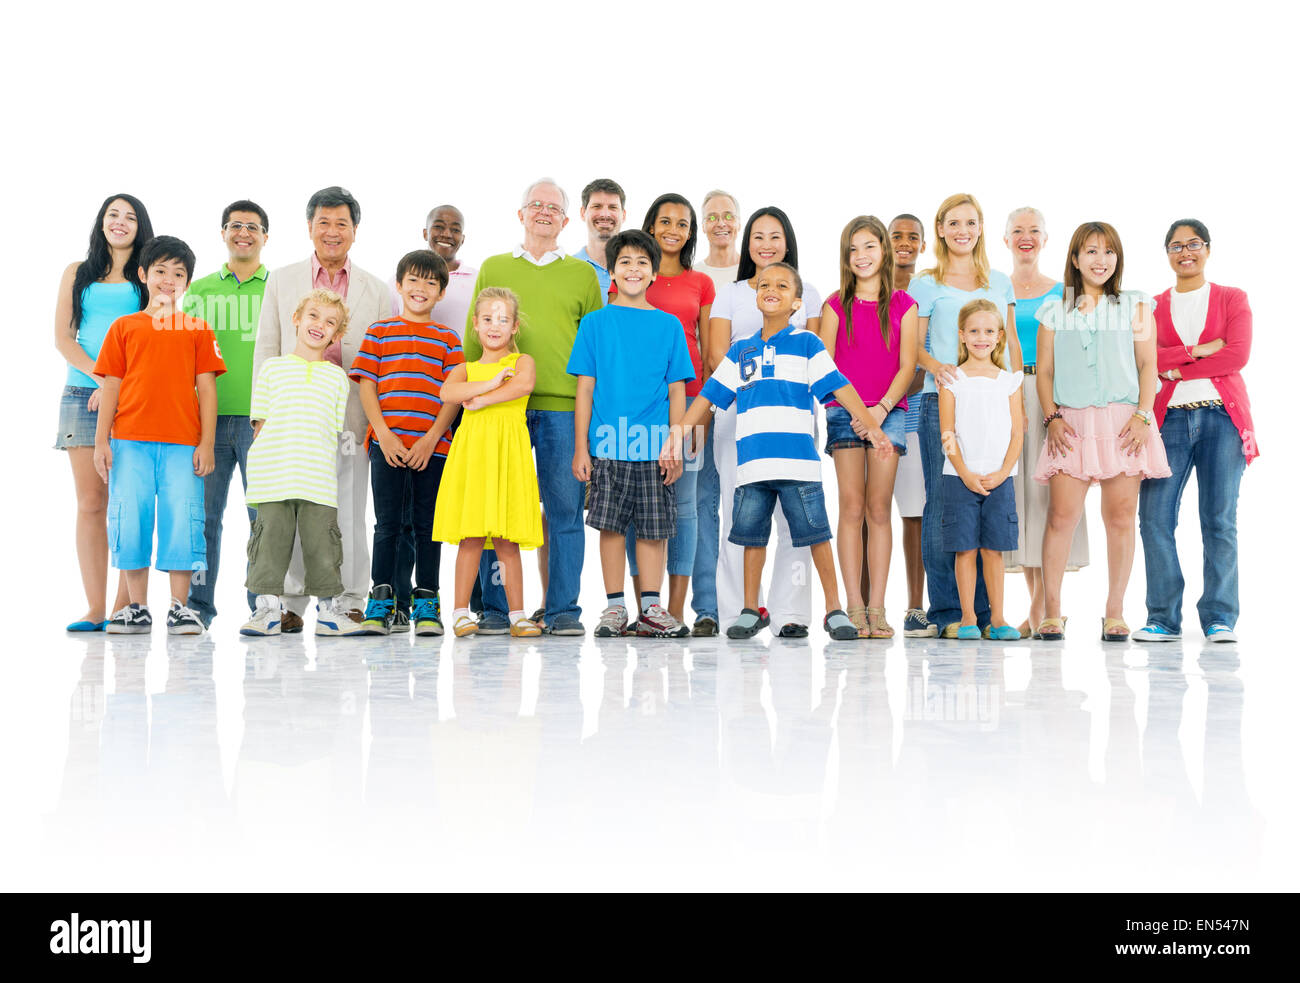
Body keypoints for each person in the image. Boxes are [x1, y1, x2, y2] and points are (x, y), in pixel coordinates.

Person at [663, 263, 884, 641]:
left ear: (796, 302)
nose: (772, 289)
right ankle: (752, 609)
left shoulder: (807, 345)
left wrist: (872, 425)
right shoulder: (739, 350)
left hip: (799, 465)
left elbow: (840, 386)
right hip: (753, 466)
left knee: (816, 536)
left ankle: (834, 609)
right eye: (764, 284)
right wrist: (678, 431)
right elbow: (708, 397)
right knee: (750, 538)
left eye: (782, 285)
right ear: (755, 297)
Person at [464, 178, 603, 635]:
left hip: (563, 409)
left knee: (564, 511)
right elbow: (472, 341)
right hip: (500, 409)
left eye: (553, 207)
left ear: (566, 220)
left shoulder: (583, 275)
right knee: (494, 510)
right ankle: (497, 610)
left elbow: (593, 351)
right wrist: (474, 402)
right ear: (520, 214)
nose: (544, 211)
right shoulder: (494, 266)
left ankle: (563, 610)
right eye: (535, 204)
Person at [253, 186, 396, 632]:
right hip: (289, 420)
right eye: (323, 223)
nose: (332, 232)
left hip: (350, 416)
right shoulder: (282, 278)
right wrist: (262, 419)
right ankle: (290, 604)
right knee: (291, 508)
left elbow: (382, 360)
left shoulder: (375, 288)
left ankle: (349, 598)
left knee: (347, 513)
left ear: (355, 230)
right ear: (309, 227)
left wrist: (375, 422)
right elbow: (268, 346)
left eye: (342, 224)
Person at [1033, 222, 1171, 641]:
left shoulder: (1136, 305)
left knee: (1121, 518)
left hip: (1124, 421)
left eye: (1109, 252)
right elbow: (1046, 371)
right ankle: (1052, 612)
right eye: (1091, 252)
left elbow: (1149, 365)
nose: (1100, 260)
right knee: (1060, 517)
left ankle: (1114, 611)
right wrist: (1052, 418)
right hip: (1070, 423)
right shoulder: (1055, 310)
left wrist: (1143, 416)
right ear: (1075, 259)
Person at [91, 235, 225, 634]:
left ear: (187, 283)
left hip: (183, 445)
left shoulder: (197, 329)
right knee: (129, 519)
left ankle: (179, 607)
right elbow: (111, 386)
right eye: (161, 271)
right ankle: (136, 607)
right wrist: (101, 441)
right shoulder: (124, 327)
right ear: (143, 274)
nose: (169, 279)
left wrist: (206, 442)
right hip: (129, 442)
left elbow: (207, 388)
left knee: (182, 520)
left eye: (178, 273)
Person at [1134, 220, 1256, 644]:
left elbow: (1236, 356)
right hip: (1167, 420)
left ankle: (1220, 617)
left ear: (1208, 249)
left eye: (1194, 244)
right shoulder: (1150, 306)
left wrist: (1173, 366)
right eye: (1176, 246)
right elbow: (1144, 358)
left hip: (1222, 417)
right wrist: (1197, 350)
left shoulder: (1231, 298)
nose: (1185, 252)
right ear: (1166, 253)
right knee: (1153, 519)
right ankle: (1163, 618)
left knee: (1219, 520)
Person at [570, 230, 695, 638]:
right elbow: (585, 387)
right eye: (624, 261)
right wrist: (581, 448)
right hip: (607, 445)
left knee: (653, 529)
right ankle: (614, 607)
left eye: (642, 262)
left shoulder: (669, 326)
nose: (633, 269)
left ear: (654, 272)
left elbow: (678, 390)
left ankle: (652, 607)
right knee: (610, 526)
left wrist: (674, 445)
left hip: (655, 447)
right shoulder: (594, 324)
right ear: (610, 271)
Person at [908, 193, 1022, 638]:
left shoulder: (999, 281)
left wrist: (1014, 396)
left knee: (991, 501)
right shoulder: (925, 284)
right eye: (953, 223)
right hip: (945, 401)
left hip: (994, 403)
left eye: (971, 222)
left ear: (980, 228)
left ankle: (986, 615)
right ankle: (948, 614)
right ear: (940, 229)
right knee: (945, 504)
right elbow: (912, 347)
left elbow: (1009, 342)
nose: (962, 230)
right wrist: (937, 368)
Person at [708, 206, 823, 635]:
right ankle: (740, 608)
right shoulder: (732, 292)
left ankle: (790, 613)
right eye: (758, 236)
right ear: (747, 243)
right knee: (740, 514)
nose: (766, 244)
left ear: (788, 243)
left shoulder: (806, 290)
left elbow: (814, 351)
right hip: (739, 412)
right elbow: (718, 354)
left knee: (797, 518)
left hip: (792, 414)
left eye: (775, 236)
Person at [350, 250, 463, 636]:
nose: (421, 288)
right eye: (413, 280)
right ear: (398, 286)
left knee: (427, 524)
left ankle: (427, 601)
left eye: (431, 282)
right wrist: (382, 433)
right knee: (388, 525)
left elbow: (453, 394)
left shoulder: (449, 339)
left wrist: (432, 438)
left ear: (442, 293)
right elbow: (368, 384)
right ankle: (382, 601)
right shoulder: (379, 332)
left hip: (432, 448)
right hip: (387, 445)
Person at [55, 193, 153, 632]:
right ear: (101, 222)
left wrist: (119, 388)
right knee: (91, 504)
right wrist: (102, 382)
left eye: (130, 217)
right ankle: (94, 608)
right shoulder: (77, 273)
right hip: (82, 393)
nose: (120, 222)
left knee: (127, 504)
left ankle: (122, 607)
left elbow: (155, 335)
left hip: (133, 397)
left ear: (140, 226)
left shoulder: (147, 275)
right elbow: (64, 338)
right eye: (113, 214)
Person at [240, 290, 362, 637]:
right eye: (313, 316)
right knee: (269, 546)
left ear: (337, 335)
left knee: (323, 547)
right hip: (273, 478)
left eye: (329, 323)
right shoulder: (272, 368)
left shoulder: (337, 378)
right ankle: (266, 610)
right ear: (297, 318)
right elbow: (260, 425)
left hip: (318, 481)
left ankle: (327, 612)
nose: (319, 325)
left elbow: (331, 430)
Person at [621, 194, 716, 629]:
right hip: (635, 411)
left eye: (683, 223)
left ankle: (675, 608)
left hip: (689, 404)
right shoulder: (634, 273)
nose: (674, 229)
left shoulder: (701, 283)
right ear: (651, 226)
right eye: (665, 221)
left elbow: (709, 351)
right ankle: (646, 606)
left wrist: (704, 409)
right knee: (632, 507)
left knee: (685, 505)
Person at [819, 216, 916, 638]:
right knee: (851, 507)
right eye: (853, 249)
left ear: (884, 251)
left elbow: (908, 365)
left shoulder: (902, 306)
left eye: (869, 247)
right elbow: (826, 366)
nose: (862, 256)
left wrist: (880, 412)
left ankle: (877, 606)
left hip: (889, 413)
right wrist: (860, 411)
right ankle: (853, 606)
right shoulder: (834, 305)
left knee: (879, 510)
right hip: (845, 412)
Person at [434, 287, 544, 637]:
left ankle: (517, 615)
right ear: (475, 325)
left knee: (507, 540)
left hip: (508, 456)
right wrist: (491, 382)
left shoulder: (522, 362)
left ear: (514, 327)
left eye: (503, 319)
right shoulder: (466, 369)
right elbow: (447, 393)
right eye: (487, 319)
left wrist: (484, 398)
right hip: (476, 457)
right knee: (471, 536)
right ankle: (460, 612)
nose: (494, 325)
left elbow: (523, 386)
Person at [182, 199, 270, 629]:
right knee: (204, 520)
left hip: (262, 422)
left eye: (253, 227)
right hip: (207, 424)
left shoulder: (278, 287)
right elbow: (180, 357)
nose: (244, 233)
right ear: (223, 233)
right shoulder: (197, 291)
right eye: (236, 225)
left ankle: (263, 607)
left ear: (265, 237)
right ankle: (197, 608)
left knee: (263, 520)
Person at [1001, 207, 1087, 638]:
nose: (1026, 237)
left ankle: (1042, 609)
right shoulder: (998, 288)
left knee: (1049, 502)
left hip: (1053, 400)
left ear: (1046, 238)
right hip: (1012, 397)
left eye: (1034, 230)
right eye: (1017, 231)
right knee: (1021, 500)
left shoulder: (1063, 292)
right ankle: (1039, 610)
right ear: (1005, 240)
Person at [938, 300, 1024, 640]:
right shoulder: (952, 380)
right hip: (959, 477)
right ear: (961, 336)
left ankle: (999, 619)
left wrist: (1003, 472)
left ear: (999, 336)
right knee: (965, 549)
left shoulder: (1009, 381)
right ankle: (969, 617)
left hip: (999, 479)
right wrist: (964, 471)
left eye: (988, 331)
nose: (981, 337)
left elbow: (1018, 433)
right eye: (973, 331)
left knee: (993, 550)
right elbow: (947, 433)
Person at [688, 189, 741, 636]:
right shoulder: (697, 275)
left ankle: (746, 601)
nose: (720, 222)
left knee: (747, 504)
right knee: (703, 503)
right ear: (702, 225)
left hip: (756, 412)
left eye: (728, 215)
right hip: (704, 404)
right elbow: (706, 351)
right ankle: (707, 604)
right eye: (712, 217)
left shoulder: (758, 271)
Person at [888, 213, 932, 636]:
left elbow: (919, 363)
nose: (904, 243)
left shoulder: (927, 292)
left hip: (917, 418)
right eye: (895, 236)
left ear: (923, 244)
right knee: (870, 513)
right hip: (872, 418)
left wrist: (900, 378)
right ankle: (865, 606)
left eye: (912, 237)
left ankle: (917, 605)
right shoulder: (871, 290)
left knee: (916, 514)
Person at [424, 204, 477, 336]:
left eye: (455, 230)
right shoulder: (403, 279)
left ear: (463, 239)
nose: (447, 234)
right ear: (425, 233)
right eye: (438, 227)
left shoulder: (478, 280)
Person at [573, 178, 626, 301]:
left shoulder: (638, 271)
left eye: (613, 207)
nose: (605, 214)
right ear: (583, 213)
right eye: (597, 206)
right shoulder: (567, 269)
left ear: (623, 215)